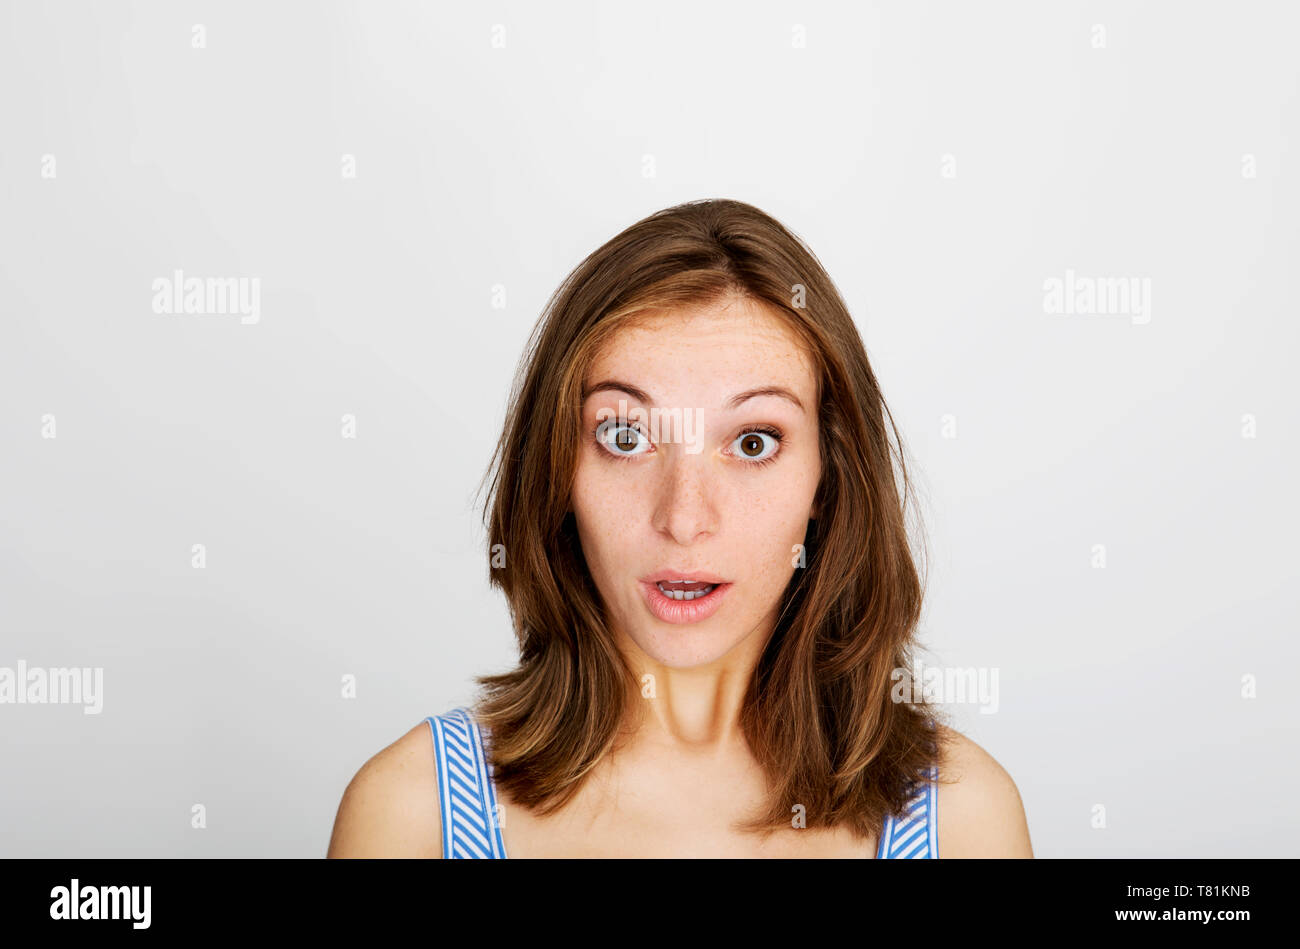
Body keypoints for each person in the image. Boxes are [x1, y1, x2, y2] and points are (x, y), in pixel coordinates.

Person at [327, 198, 1033, 858]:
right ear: (556, 468)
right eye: (626, 437)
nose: (684, 518)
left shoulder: (962, 820)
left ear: (830, 478)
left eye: (753, 442)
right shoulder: (411, 815)